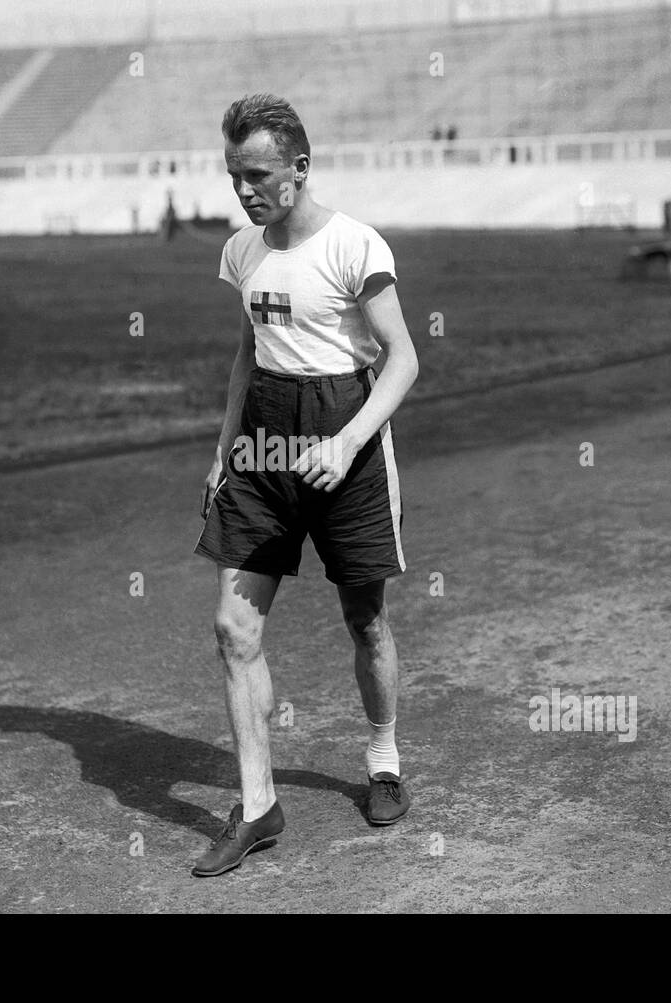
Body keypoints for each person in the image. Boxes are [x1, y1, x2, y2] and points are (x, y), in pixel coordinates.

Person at [192, 93, 419, 877]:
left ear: (299, 167)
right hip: (262, 442)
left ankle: (383, 758)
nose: (246, 190)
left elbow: (404, 358)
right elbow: (248, 354)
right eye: (234, 177)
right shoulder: (242, 252)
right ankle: (257, 805)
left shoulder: (356, 246)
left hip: (345, 434)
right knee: (232, 627)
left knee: (365, 620)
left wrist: (349, 440)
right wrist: (225, 451)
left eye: (258, 174)